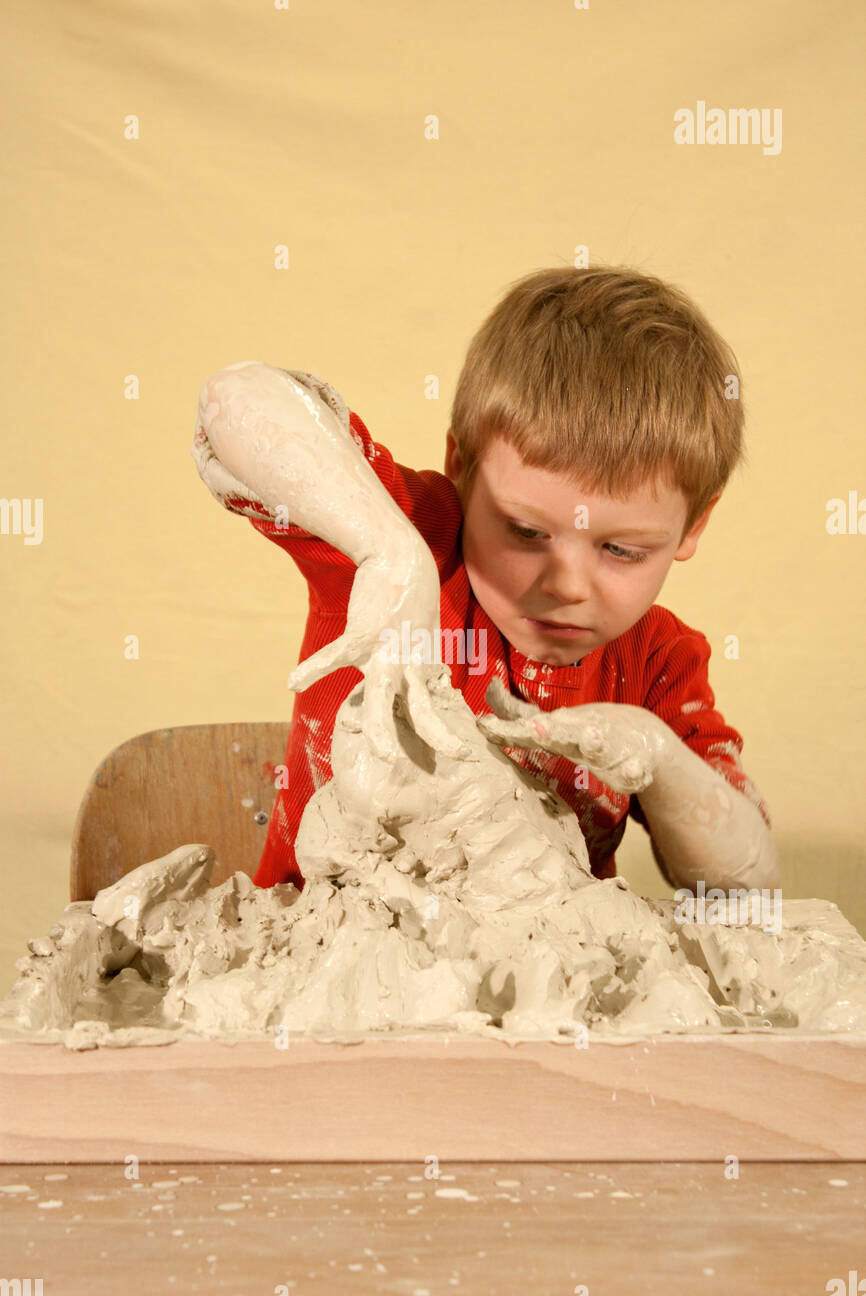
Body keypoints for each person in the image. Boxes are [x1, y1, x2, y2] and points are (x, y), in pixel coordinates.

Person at [190, 264, 779, 896]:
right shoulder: (414, 537)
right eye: (526, 532)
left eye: (621, 549)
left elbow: (749, 883)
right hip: (321, 959)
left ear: (692, 526)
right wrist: (386, 552)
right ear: (461, 468)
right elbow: (235, 396)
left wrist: (661, 761)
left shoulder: (656, 662)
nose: (568, 585)